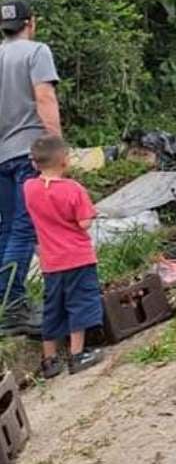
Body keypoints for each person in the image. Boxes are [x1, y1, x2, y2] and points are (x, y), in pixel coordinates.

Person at [0, 0, 60, 337]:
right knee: (24, 230)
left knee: (8, 229)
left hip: (2, 157)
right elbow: (45, 98)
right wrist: (56, 147)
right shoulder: (36, 52)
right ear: (30, 23)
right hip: (29, 154)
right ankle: (12, 307)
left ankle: (8, 302)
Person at [24, 134, 103, 377]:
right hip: (78, 258)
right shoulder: (73, 189)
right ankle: (77, 354)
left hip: (51, 262)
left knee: (53, 307)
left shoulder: (29, 188)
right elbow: (84, 222)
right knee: (79, 303)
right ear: (65, 161)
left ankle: (49, 360)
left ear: (35, 163)